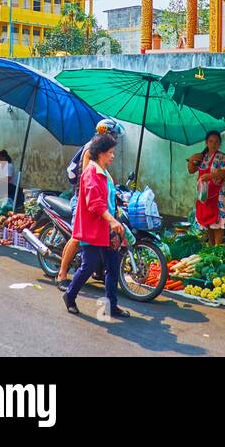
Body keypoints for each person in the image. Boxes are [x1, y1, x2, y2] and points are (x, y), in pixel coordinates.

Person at [63, 132, 129, 322]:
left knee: (113, 267)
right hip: (92, 230)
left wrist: (114, 220)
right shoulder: (91, 172)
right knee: (88, 265)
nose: (113, 155)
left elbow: (107, 201)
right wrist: (112, 221)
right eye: (110, 152)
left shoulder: (104, 172)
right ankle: (70, 295)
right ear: (100, 153)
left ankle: (110, 306)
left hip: (106, 230)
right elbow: (95, 203)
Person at [57, 119, 124, 291]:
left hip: (93, 202)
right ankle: (62, 274)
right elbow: (89, 179)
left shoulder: (102, 151)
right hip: (82, 202)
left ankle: (99, 273)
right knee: (77, 238)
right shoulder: (91, 150)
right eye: (113, 135)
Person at [186, 129, 225, 245]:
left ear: (219, 144)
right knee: (208, 222)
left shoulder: (222, 157)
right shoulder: (202, 157)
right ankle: (211, 246)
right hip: (205, 195)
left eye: (216, 142)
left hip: (218, 195)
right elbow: (191, 170)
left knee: (219, 223)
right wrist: (191, 160)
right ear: (206, 143)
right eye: (211, 141)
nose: (213, 144)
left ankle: (218, 248)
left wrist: (210, 175)